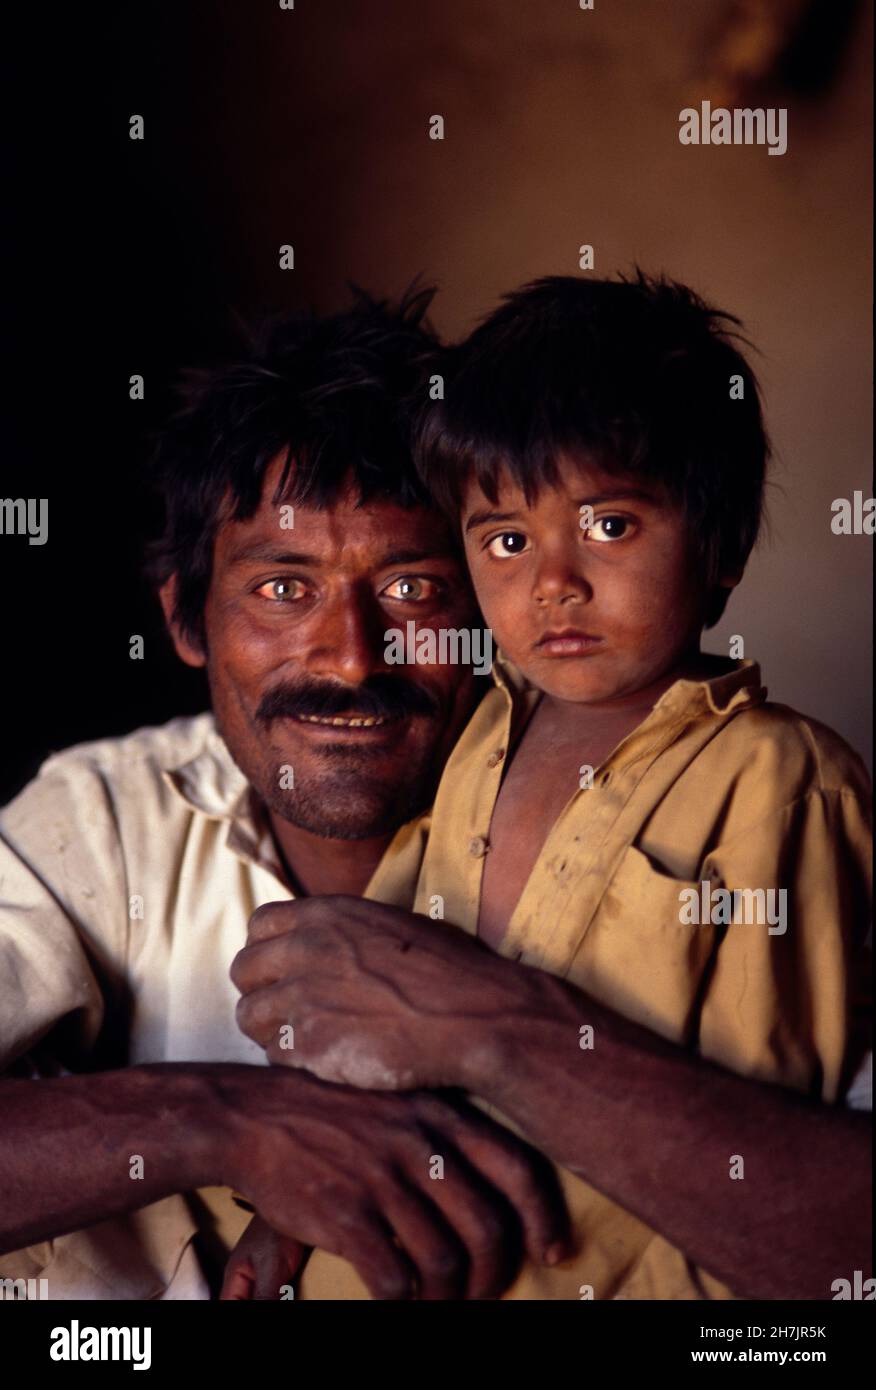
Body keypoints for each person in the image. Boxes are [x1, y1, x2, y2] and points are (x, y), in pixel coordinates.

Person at [231, 274, 872, 1300]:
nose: (553, 582)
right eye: (507, 538)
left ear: (723, 546)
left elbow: (756, 1152)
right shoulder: (474, 738)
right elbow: (357, 1008)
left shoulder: (782, 782)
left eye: (610, 525)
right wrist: (278, 1215)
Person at [0, 289, 570, 1301]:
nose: (354, 660)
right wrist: (231, 1122)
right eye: (281, 589)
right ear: (184, 619)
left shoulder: (623, 822)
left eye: (413, 589)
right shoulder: (105, 815)